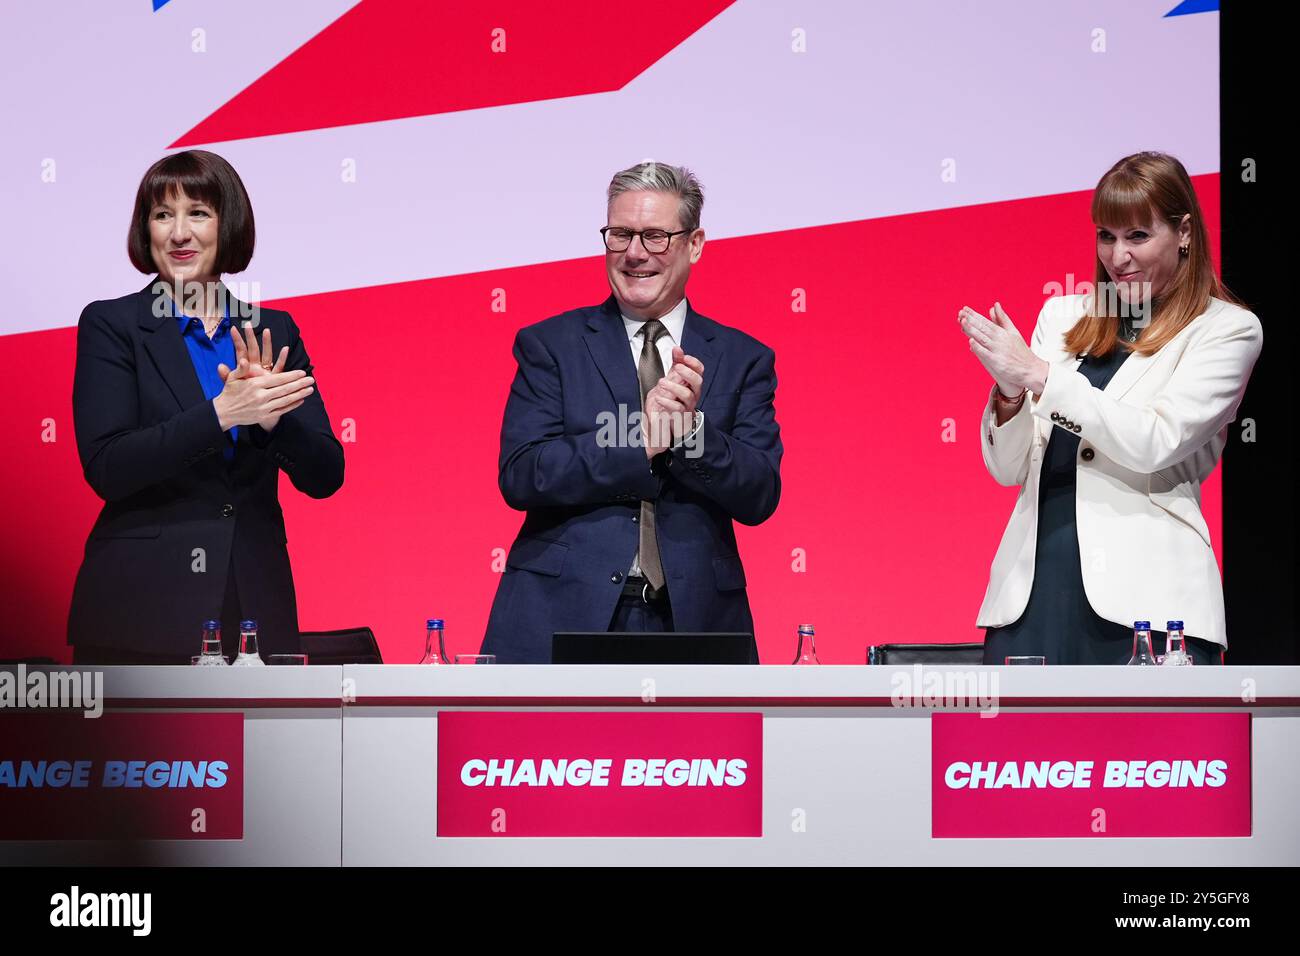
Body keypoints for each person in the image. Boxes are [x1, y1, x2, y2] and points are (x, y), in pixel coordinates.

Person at [958, 151, 1261, 665]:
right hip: (1033, 595)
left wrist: (1039, 376)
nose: (1117, 256)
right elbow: (1009, 470)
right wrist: (1010, 395)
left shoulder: (1226, 329)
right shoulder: (1064, 315)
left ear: (1184, 232)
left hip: (1151, 606)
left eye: (1138, 236)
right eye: (1106, 236)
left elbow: (1154, 441)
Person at [481, 162, 782, 663]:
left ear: (695, 243)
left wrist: (693, 433)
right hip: (562, 615)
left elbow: (760, 495)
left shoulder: (743, 356)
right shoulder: (551, 345)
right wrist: (640, 440)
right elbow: (523, 475)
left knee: (699, 747)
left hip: (695, 624)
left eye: (656, 236)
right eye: (620, 234)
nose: (635, 253)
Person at [67, 150, 344, 664]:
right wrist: (221, 414)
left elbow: (326, 475)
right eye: (161, 214)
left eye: (197, 212)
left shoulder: (273, 329)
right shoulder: (112, 325)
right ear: (144, 230)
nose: (178, 233)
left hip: (255, 603)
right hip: (141, 608)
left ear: (228, 223)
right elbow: (108, 466)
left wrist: (270, 425)